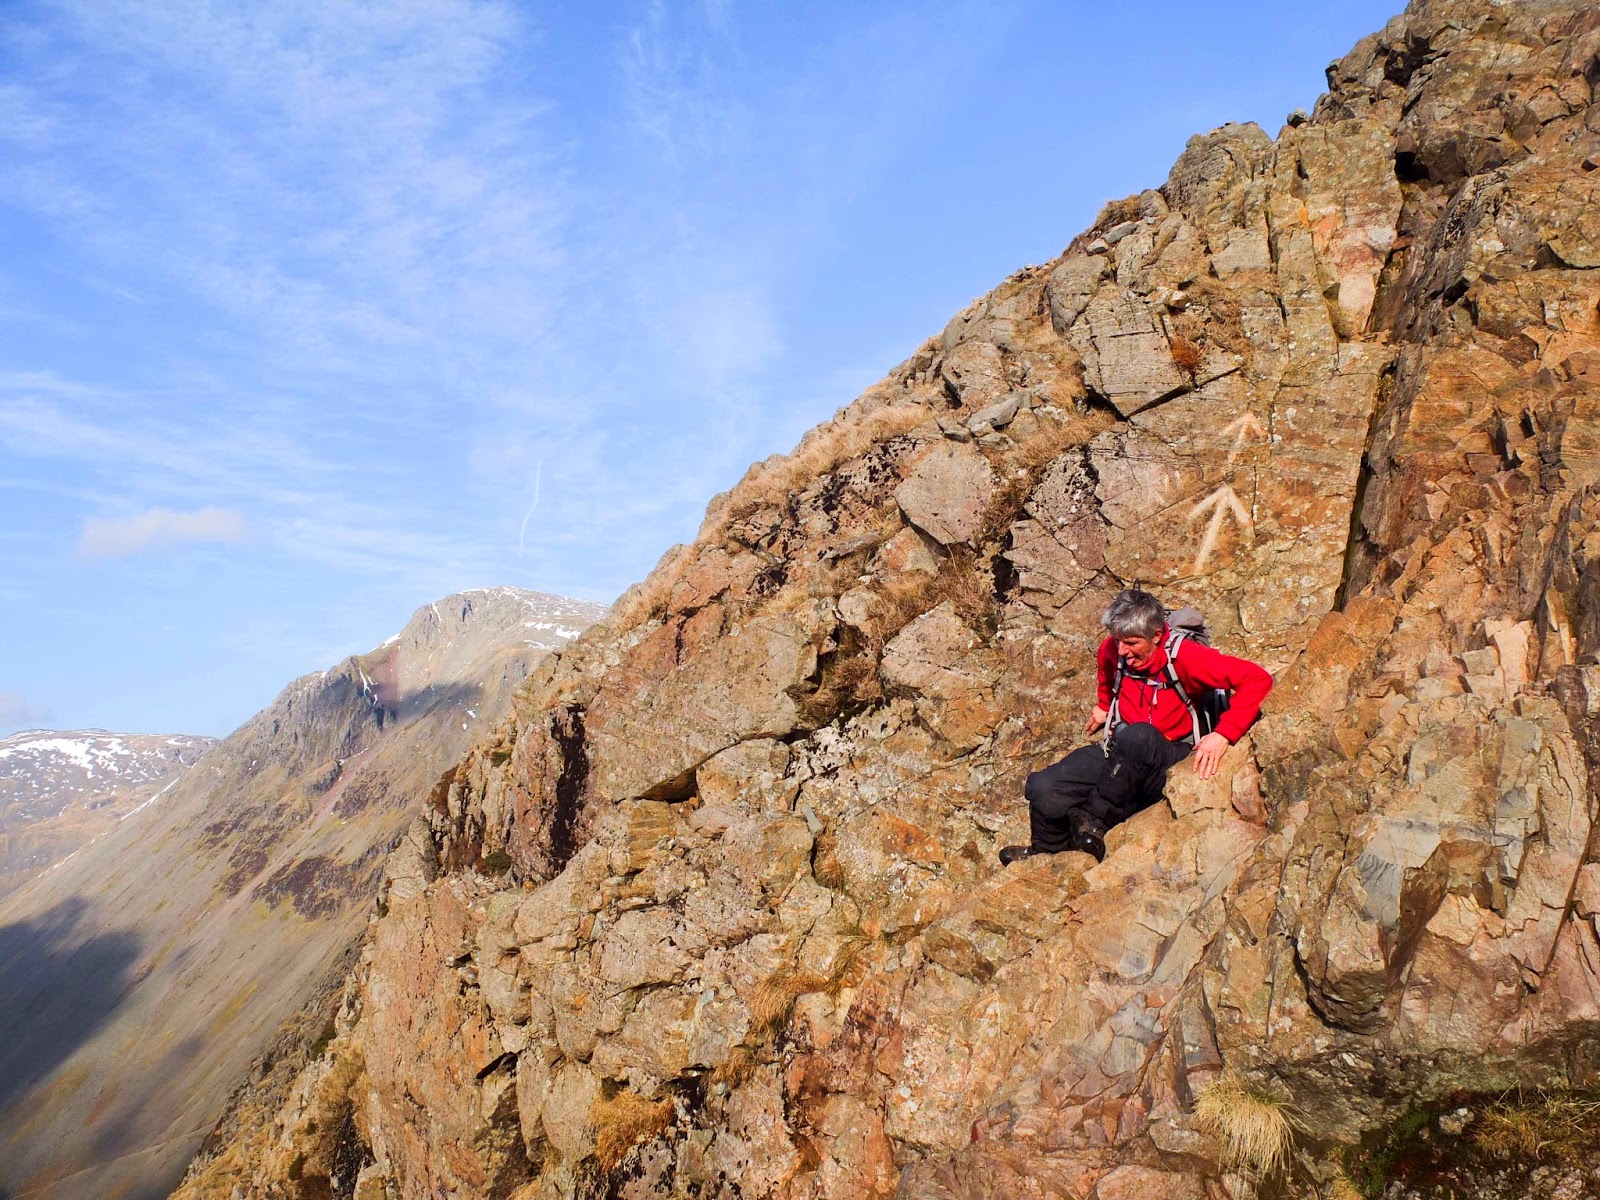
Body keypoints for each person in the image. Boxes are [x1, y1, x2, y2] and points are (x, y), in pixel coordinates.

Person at [999, 589, 1273, 864]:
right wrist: (1105, 705)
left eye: (1130, 642)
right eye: (1118, 641)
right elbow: (1107, 672)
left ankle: (1093, 824)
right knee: (1045, 785)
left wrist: (1223, 734)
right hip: (1122, 752)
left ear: (1156, 635)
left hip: (1168, 758)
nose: (1121, 651)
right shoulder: (1113, 650)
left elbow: (1258, 680)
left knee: (1138, 736)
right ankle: (1047, 853)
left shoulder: (1185, 658)